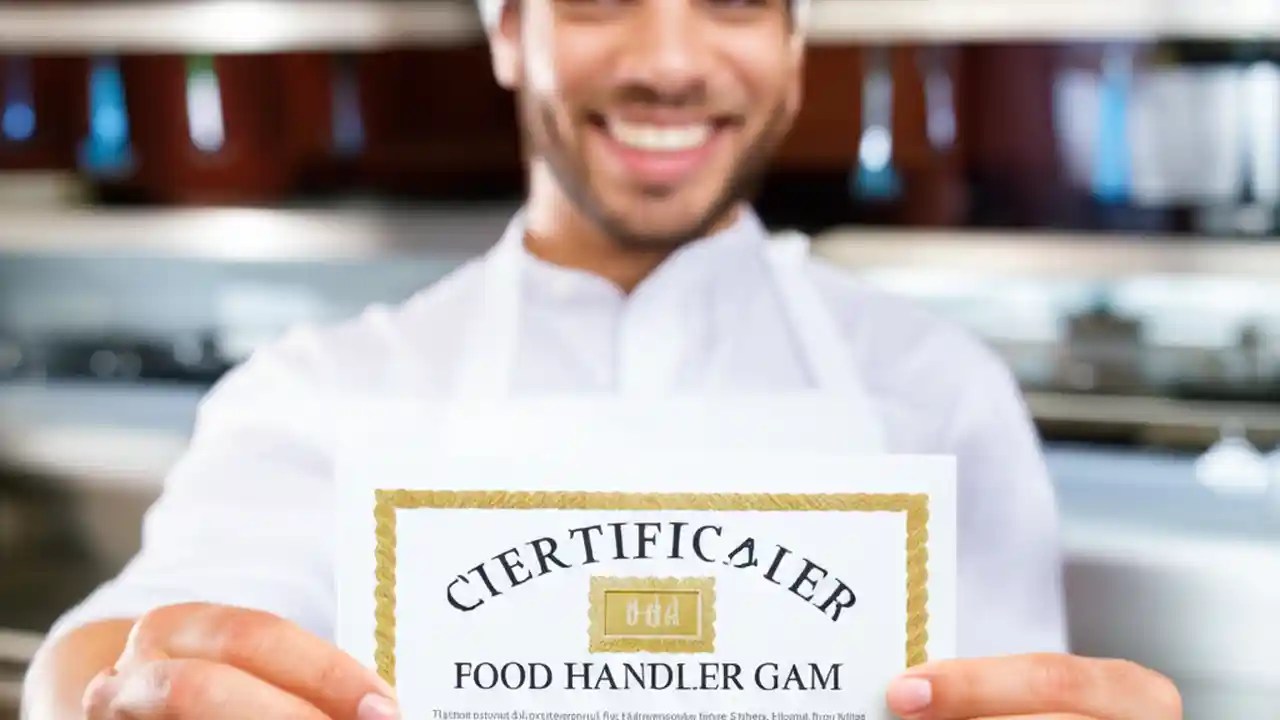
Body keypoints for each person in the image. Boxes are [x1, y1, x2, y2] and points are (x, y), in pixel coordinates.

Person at [24, 0, 1182, 718]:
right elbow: (109, 651)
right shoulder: (322, 390)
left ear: (789, 45)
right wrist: (116, 695)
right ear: (506, 30)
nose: (666, 61)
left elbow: (1010, 696)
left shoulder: (940, 389)